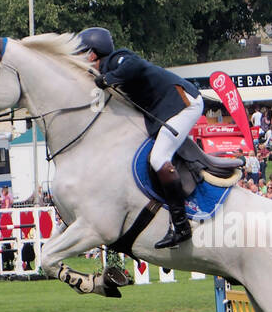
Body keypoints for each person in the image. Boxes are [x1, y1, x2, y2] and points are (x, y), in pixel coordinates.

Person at [76, 27, 203, 248]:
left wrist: (108, 78)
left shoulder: (117, 59)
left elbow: (135, 66)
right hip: (167, 110)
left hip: (185, 103)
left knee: (158, 158)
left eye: (81, 53)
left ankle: (181, 225)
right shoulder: (106, 69)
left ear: (93, 54)